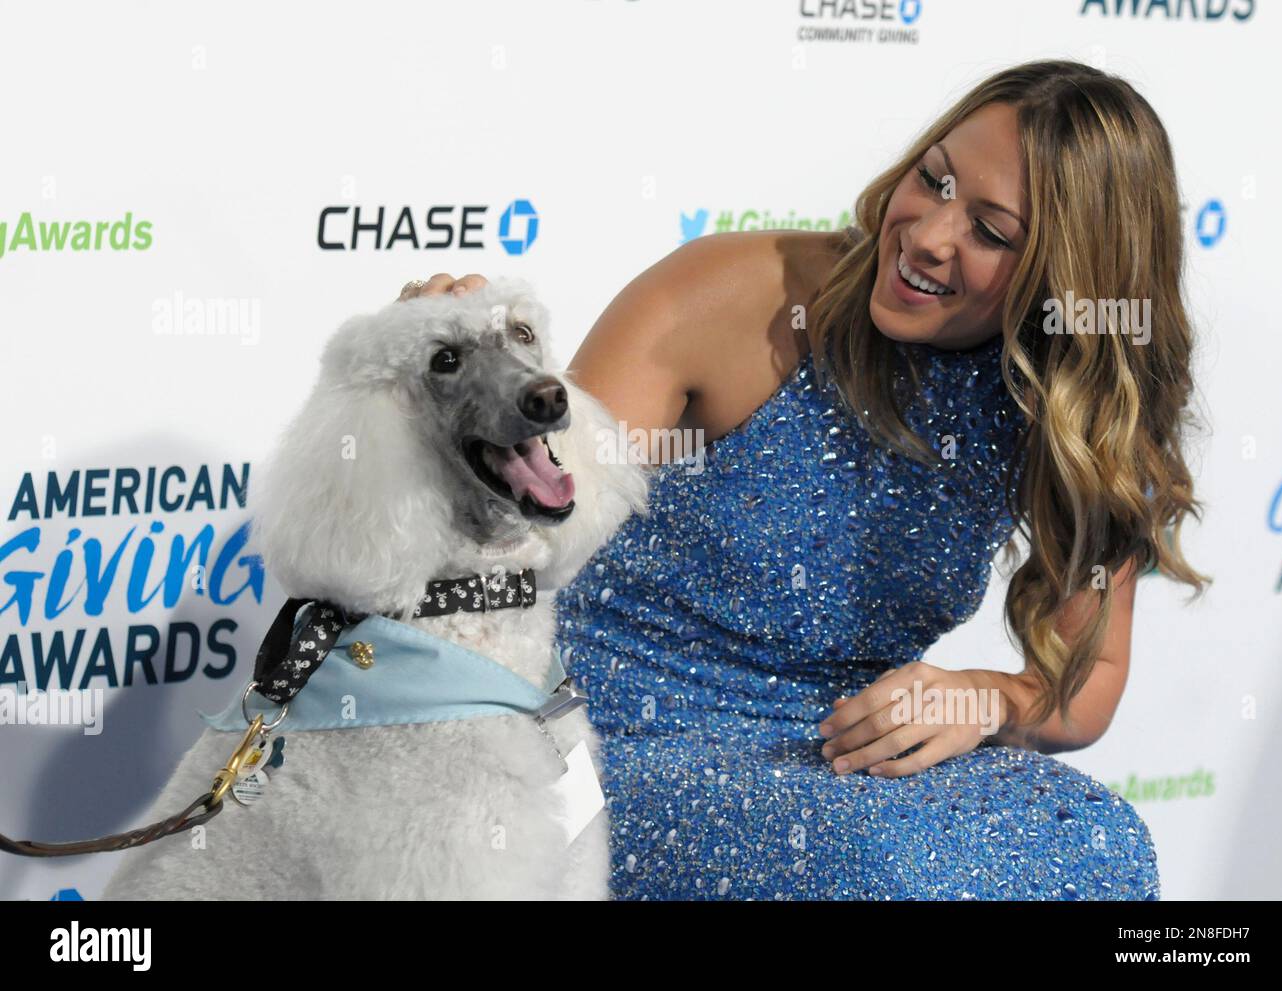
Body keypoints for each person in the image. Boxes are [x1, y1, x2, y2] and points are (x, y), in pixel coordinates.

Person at [399, 59, 1207, 899]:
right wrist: (457, 384)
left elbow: (1087, 683)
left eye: (991, 232)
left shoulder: (1067, 408)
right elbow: (530, 522)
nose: (929, 234)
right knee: (870, 868)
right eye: (933, 179)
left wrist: (984, 700)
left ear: (1068, 278)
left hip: (834, 760)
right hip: (596, 743)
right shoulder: (737, 294)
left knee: (1103, 843)